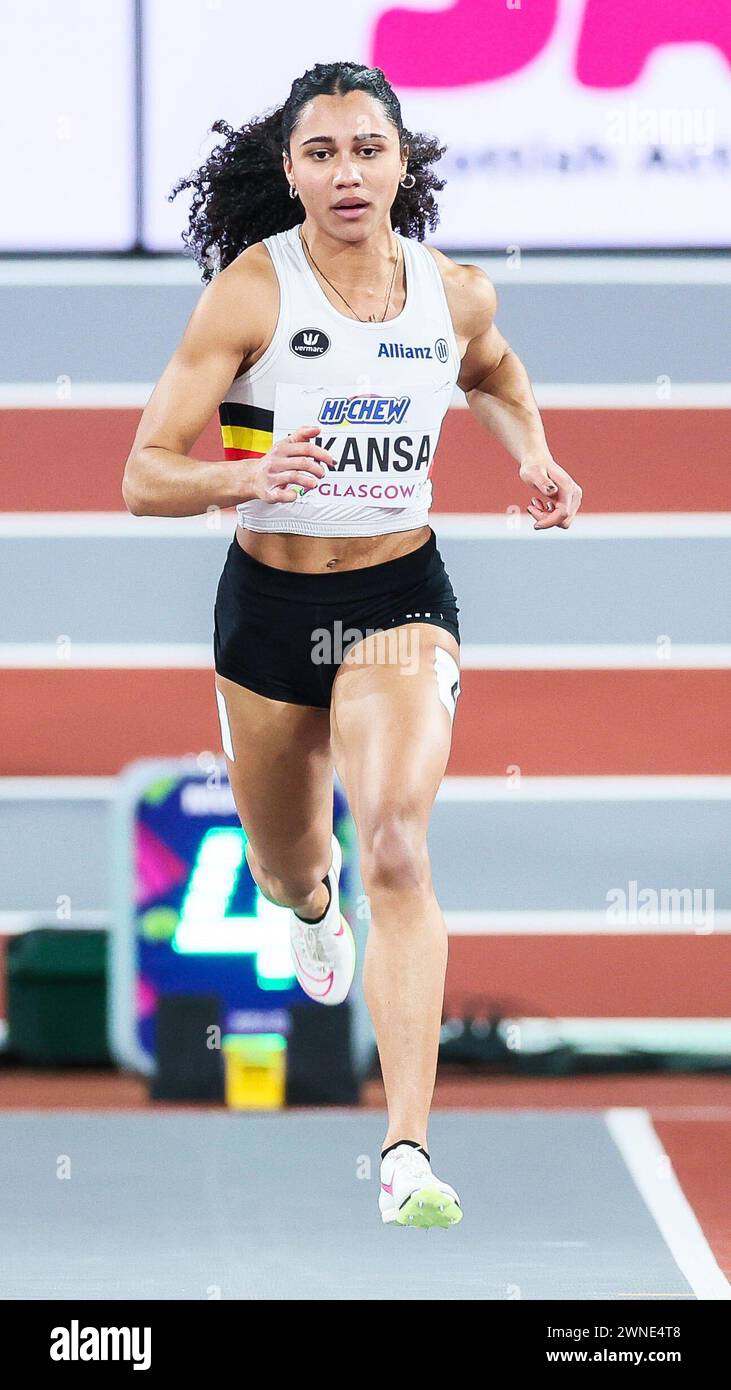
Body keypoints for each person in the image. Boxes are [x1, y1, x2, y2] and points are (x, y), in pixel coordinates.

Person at [122, 61, 582, 1229]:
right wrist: (243, 474)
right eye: (319, 153)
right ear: (288, 171)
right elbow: (143, 476)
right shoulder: (248, 296)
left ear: (401, 165)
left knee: (394, 843)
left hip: (395, 601)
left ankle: (404, 1150)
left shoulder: (454, 293)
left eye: (365, 150)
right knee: (290, 865)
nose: (344, 173)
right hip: (267, 615)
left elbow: (492, 370)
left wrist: (528, 451)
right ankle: (309, 909)